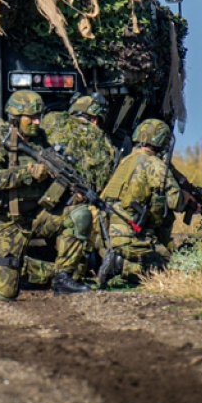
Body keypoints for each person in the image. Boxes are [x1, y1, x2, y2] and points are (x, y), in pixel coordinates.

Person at [0, 90, 91, 300]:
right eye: (32, 118)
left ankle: (62, 278)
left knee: (79, 214)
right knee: (4, 294)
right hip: (6, 223)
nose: (37, 122)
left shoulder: (40, 143)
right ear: (15, 118)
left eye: (39, 117)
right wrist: (28, 173)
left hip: (38, 216)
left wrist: (72, 194)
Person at [96, 118, 184, 287]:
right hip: (131, 236)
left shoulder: (125, 161)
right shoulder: (155, 165)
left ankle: (119, 259)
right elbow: (176, 203)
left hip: (105, 235)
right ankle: (122, 263)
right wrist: (185, 198)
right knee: (168, 264)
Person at [40, 93, 118, 280]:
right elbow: (101, 182)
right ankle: (67, 273)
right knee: (87, 216)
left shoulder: (50, 121)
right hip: (67, 213)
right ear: (95, 119)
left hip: (31, 211)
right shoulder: (101, 141)